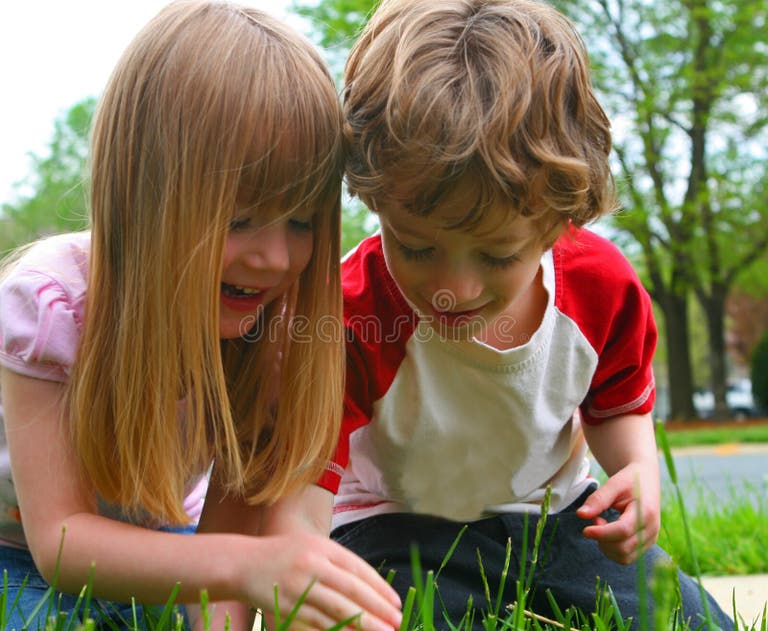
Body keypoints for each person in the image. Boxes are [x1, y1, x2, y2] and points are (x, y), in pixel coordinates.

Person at [327, 0, 734, 629]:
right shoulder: (355, 310)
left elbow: (618, 402)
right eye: (416, 246)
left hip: (556, 518)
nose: (453, 288)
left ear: (557, 220)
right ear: (375, 197)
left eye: (496, 254)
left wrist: (637, 474)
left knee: (690, 620)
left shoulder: (599, 288)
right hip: (394, 525)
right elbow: (304, 480)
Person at [0, 2, 402, 630]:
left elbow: (225, 544)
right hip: (18, 551)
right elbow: (61, 542)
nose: (274, 259)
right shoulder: (52, 304)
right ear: (143, 197)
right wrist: (243, 564)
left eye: (299, 221)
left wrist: (238, 575)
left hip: (176, 539)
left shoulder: (272, 335)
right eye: (239, 220)